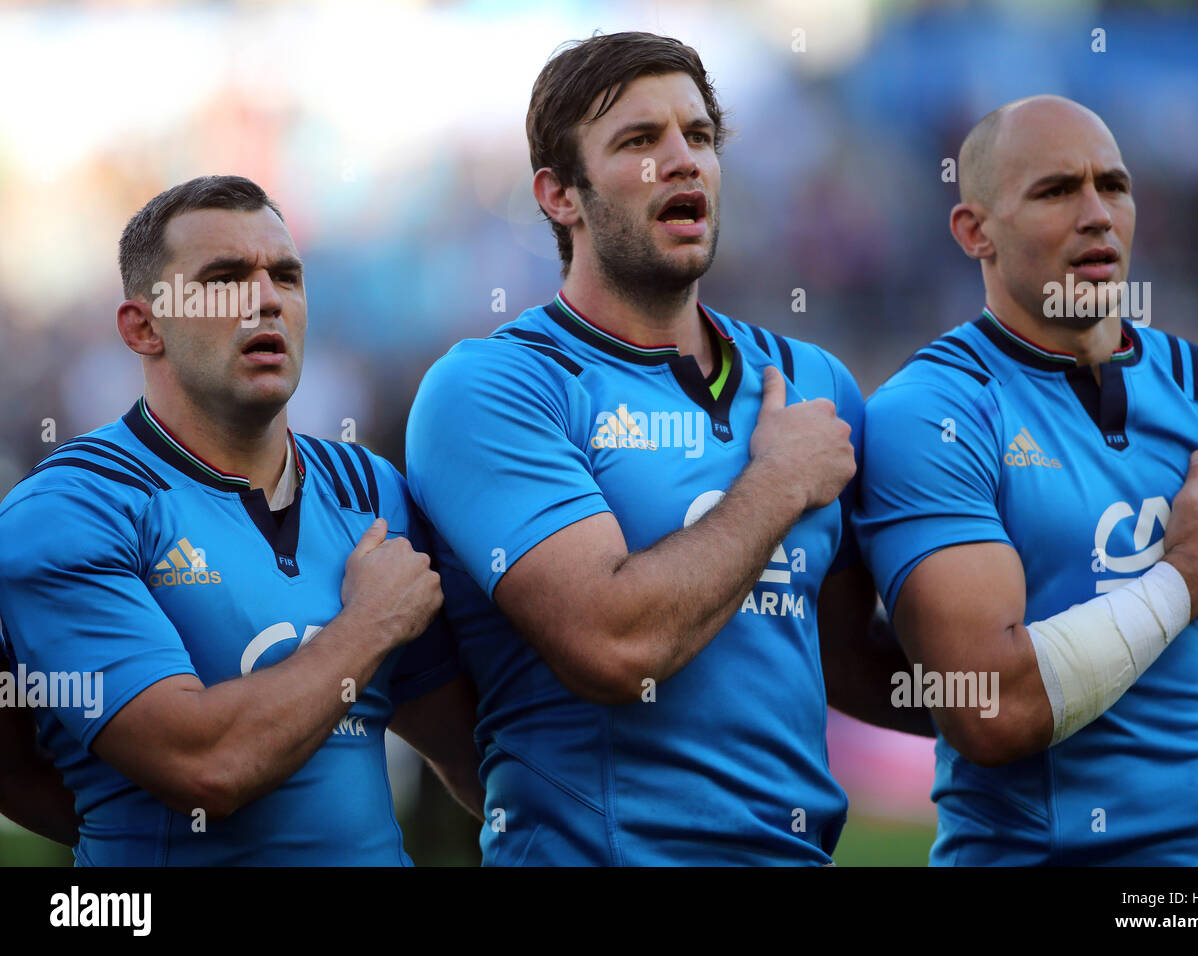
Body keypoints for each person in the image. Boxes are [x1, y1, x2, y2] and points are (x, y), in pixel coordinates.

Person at [404, 31, 915, 865]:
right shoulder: (493, 389)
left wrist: (1078, 691)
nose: (682, 161)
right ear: (560, 194)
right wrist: (777, 482)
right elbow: (616, 646)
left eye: (699, 137)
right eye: (640, 141)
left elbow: (848, 656)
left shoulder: (816, 383)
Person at [855, 95, 1198, 865]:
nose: (1096, 213)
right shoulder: (933, 415)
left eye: (1114, 186)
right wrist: (1184, 580)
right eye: (1057, 191)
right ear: (974, 231)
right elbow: (988, 709)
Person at [0, 175, 482, 864]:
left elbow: (472, 751)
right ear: (143, 327)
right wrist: (368, 627)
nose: (266, 299)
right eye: (225, 278)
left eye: (287, 276)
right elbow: (205, 770)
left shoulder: (372, 490)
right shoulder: (70, 512)